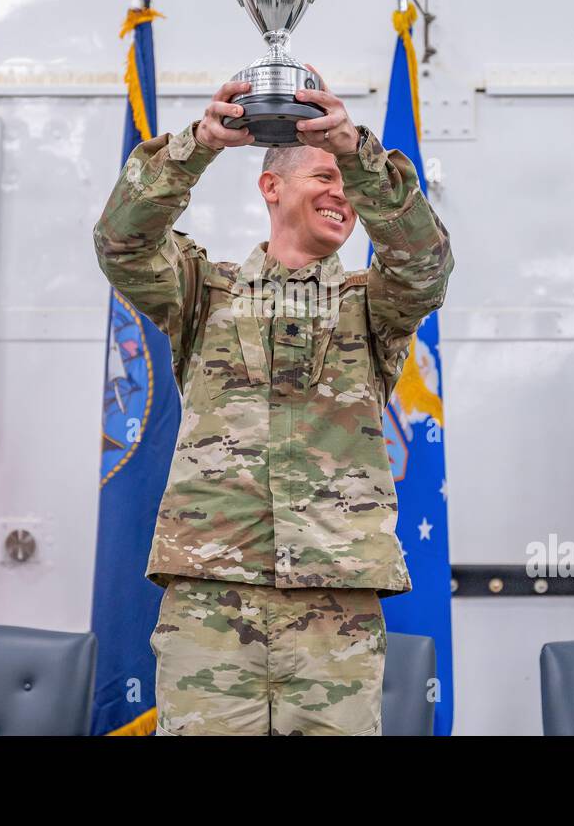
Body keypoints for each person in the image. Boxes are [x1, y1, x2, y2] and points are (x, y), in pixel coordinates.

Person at [93, 71, 453, 735]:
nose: (341, 192)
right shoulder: (204, 289)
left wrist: (353, 149)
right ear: (272, 187)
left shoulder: (370, 303)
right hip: (209, 610)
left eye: (347, 183)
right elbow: (121, 242)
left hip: (332, 614)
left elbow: (425, 262)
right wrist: (197, 146)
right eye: (324, 176)